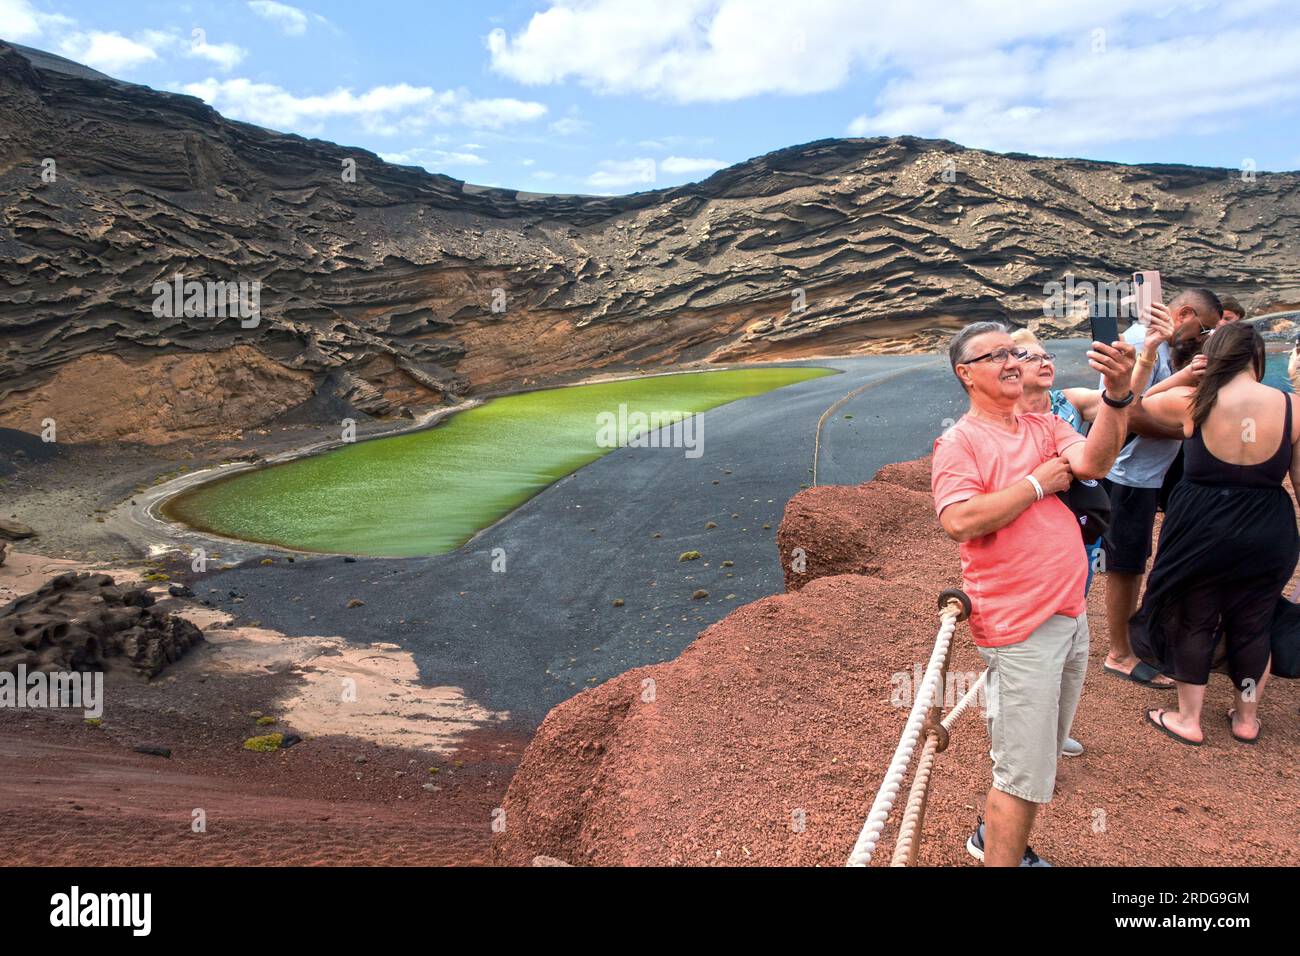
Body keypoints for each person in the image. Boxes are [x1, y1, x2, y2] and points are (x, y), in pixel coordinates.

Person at [932, 321, 1135, 866]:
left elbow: (1094, 463)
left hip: (1070, 615)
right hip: (1020, 627)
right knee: (1022, 774)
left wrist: (1118, 396)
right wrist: (1038, 485)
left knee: (1038, 754)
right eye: (995, 354)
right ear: (966, 374)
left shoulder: (1045, 425)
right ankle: (1000, 855)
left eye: (1015, 352)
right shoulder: (960, 442)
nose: (1012, 360)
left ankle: (995, 840)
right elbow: (958, 521)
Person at [1128, 321, 1299, 744]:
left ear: (1215, 357)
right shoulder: (1294, 407)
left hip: (1201, 524)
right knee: (1254, 622)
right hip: (1267, 524)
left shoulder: (1193, 401)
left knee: (1196, 616)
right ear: (1256, 357)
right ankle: (1245, 719)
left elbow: (1133, 405)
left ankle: (1190, 719)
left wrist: (1183, 374)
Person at [1100, 289, 1223, 690]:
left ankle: (1147, 636)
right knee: (1126, 562)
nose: (1203, 338)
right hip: (1129, 472)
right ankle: (1119, 653)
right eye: (1204, 329)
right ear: (1184, 313)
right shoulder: (1141, 343)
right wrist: (1190, 432)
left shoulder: (1169, 345)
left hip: (1157, 470)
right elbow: (1131, 413)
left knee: (1149, 554)